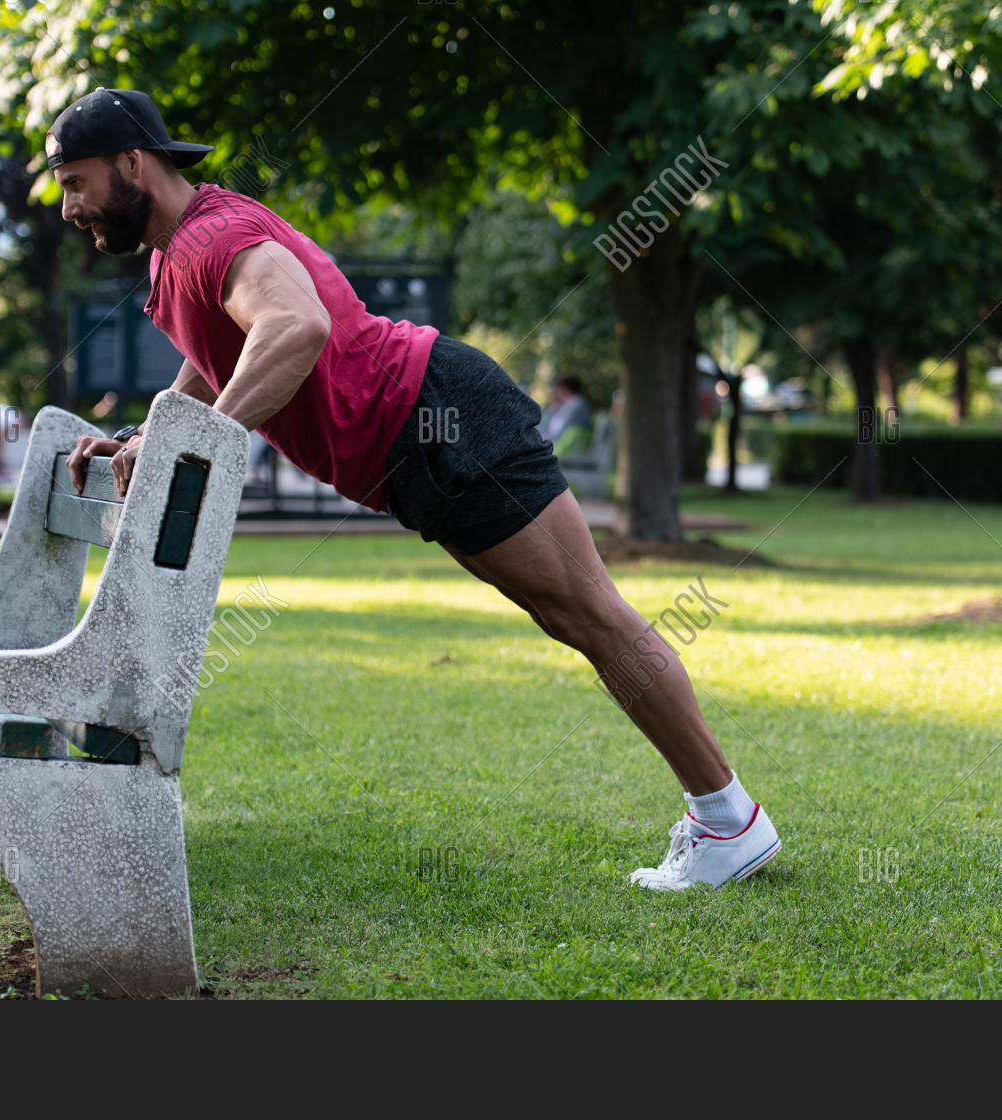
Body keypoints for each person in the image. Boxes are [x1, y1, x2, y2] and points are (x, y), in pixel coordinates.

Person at [47, 88, 780, 890]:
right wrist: (157, 431)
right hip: (419, 434)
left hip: (438, 415)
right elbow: (225, 350)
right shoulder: (176, 251)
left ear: (131, 164)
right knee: (577, 615)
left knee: (590, 614)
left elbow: (295, 326)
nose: (67, 206)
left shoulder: (215, 236)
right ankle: (724, 817)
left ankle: (727, 820)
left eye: (75, 181)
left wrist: (203, 450)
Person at [539, 375, 595, 457]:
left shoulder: (575, 406)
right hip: (563, 445)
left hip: (563, 448)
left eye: (559, 388)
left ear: (564, 389)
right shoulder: (574, 404)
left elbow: (560, 431)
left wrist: (542, 438)